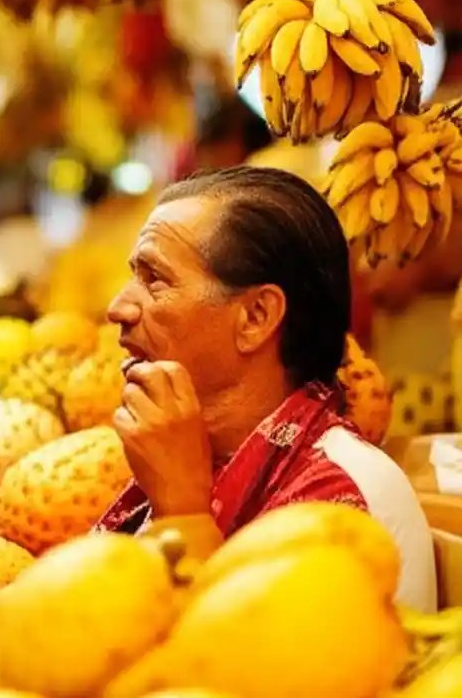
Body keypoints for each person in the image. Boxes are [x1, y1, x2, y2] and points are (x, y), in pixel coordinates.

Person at [97, 165, 436, 612]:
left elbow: (235, 653)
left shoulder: (340, 498)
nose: (118, 308)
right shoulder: (186, 453)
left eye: (154, 279)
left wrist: (182, 511)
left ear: (256, 317)